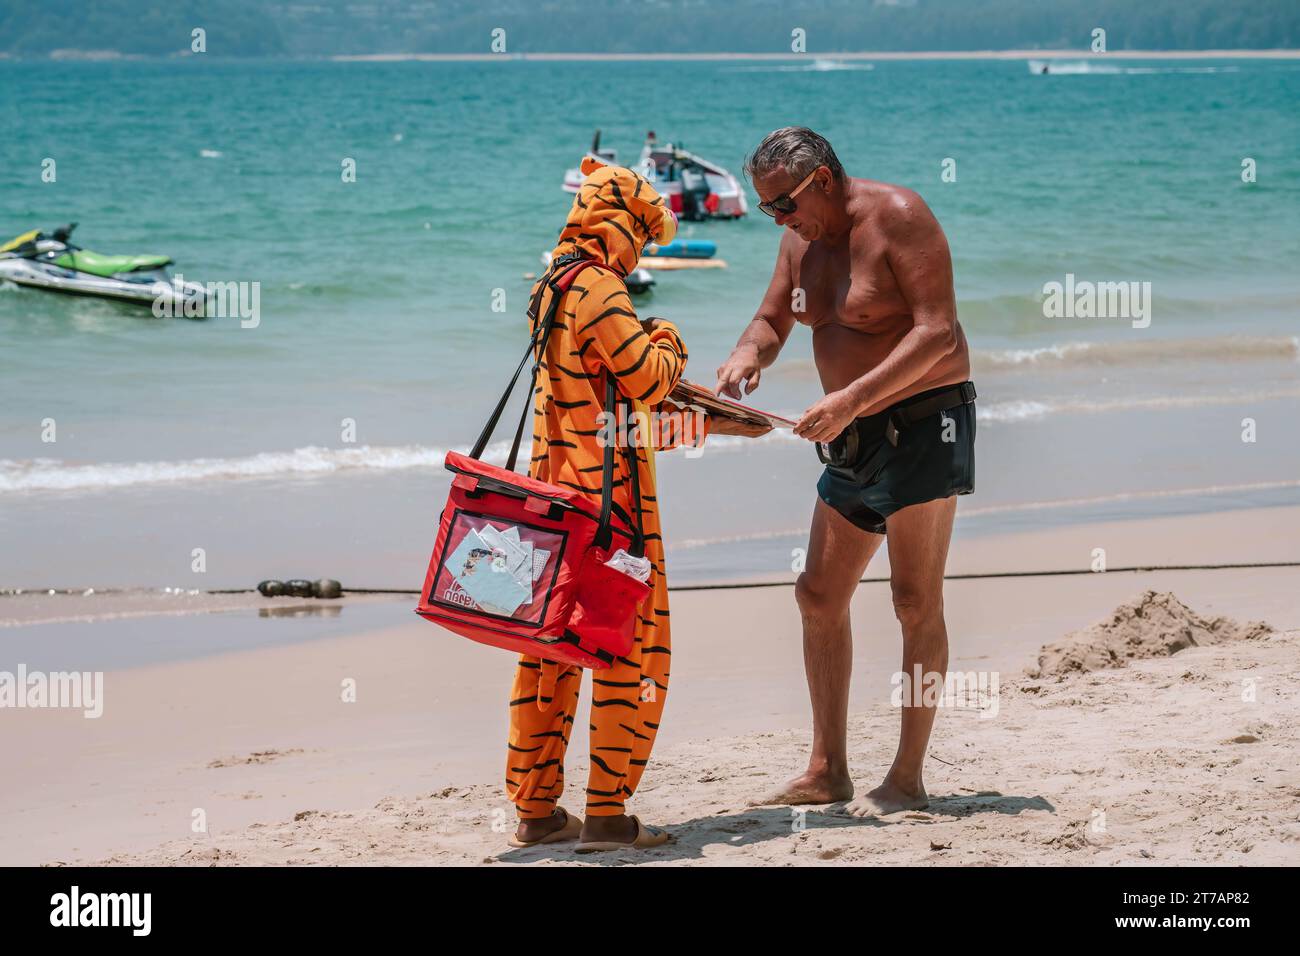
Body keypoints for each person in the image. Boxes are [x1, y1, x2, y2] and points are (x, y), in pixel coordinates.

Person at [716, 127, 976, 817]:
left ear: (823, 180)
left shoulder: (899, 215)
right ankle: (828, 768)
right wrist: (748, 355)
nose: (777, 218)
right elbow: (772, 320)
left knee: (914, 601)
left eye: (782, 203)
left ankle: (908, 779)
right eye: (768, 207)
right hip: (847, 435)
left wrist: (853, 398)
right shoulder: (799, 242)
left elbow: (938, 331)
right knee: (818, 596)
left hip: (924, 422)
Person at [507, 157, 761, 851]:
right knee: (629, 651)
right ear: (615, 222)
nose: (641, 250)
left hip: (553, 497)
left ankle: (536, 812)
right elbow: (649, 384)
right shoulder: (599, 289)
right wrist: (668, 336)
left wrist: (712, 427)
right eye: (641, 236)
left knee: (551, 650)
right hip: (611, 514)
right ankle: (609, 815)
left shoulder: (550, 288)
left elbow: (602, 421)